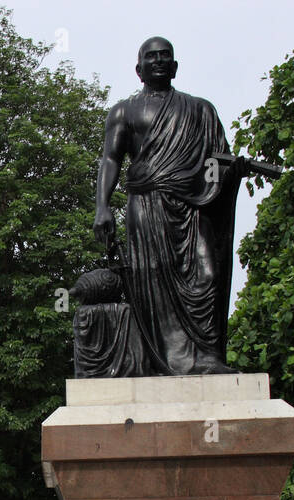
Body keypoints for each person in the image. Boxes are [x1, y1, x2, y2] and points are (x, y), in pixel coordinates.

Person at [90, 37, 244, 375]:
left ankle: (206, 357)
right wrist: (102, 207)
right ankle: (163, 360)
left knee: (207, 275)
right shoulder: (124, 111)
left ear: (175, 66)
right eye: (152, 57)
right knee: (152, 277)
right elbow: (110, 158)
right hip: (146, 205)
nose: (159, 61)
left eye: (165, 57)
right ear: (138, 68)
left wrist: (232, 170)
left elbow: (217, 161)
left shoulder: (201, 109)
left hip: (192, 205)